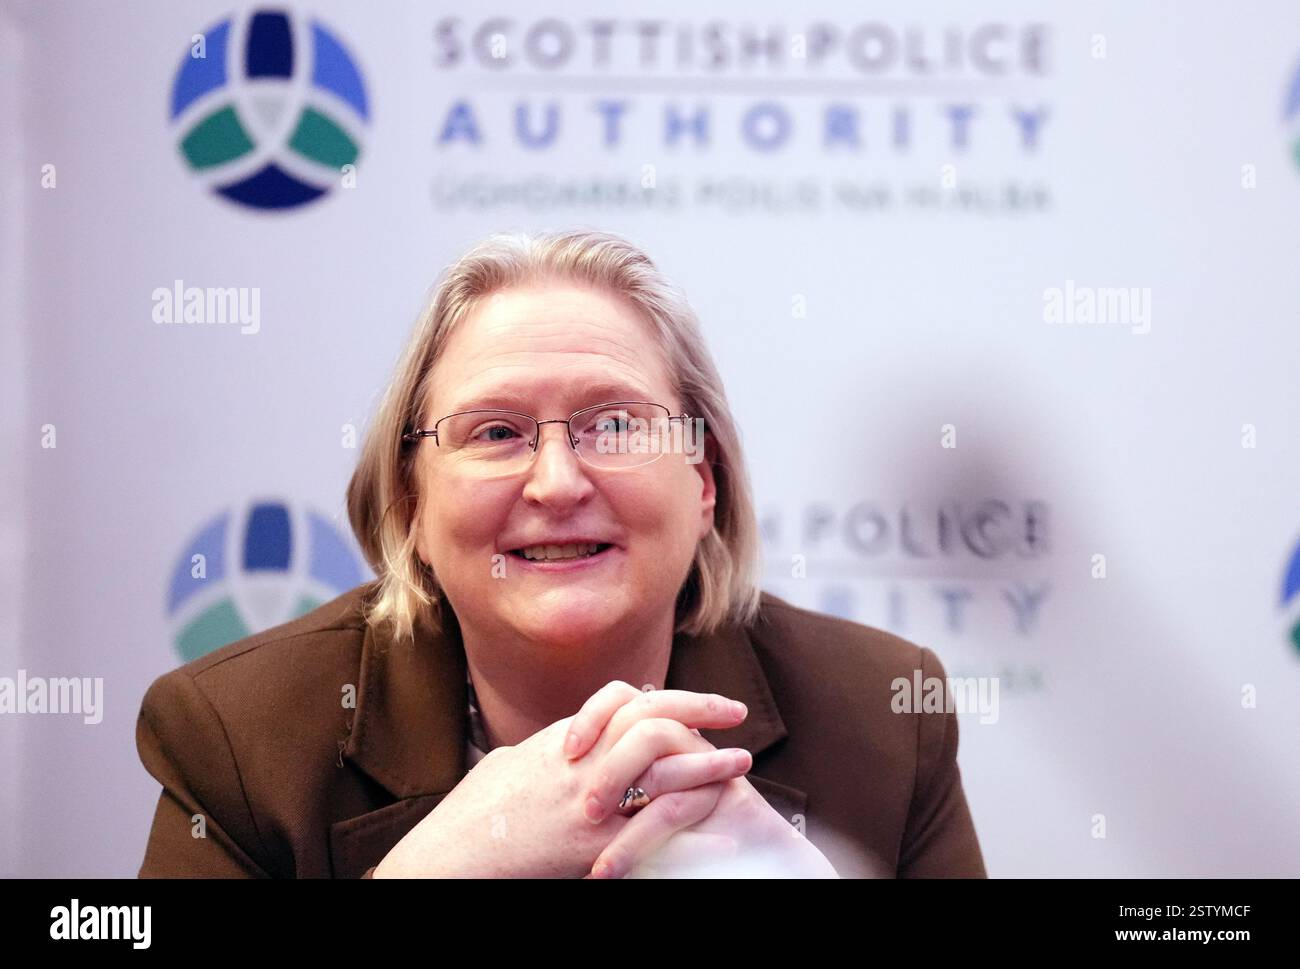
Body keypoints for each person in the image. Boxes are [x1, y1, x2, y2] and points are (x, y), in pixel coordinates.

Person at [136, 228, 987, 878]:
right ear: (410, 505)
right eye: (496, 431)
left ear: (705, 480)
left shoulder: (879, 715)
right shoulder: (240, 738)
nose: (556, 482)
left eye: (613, 425)